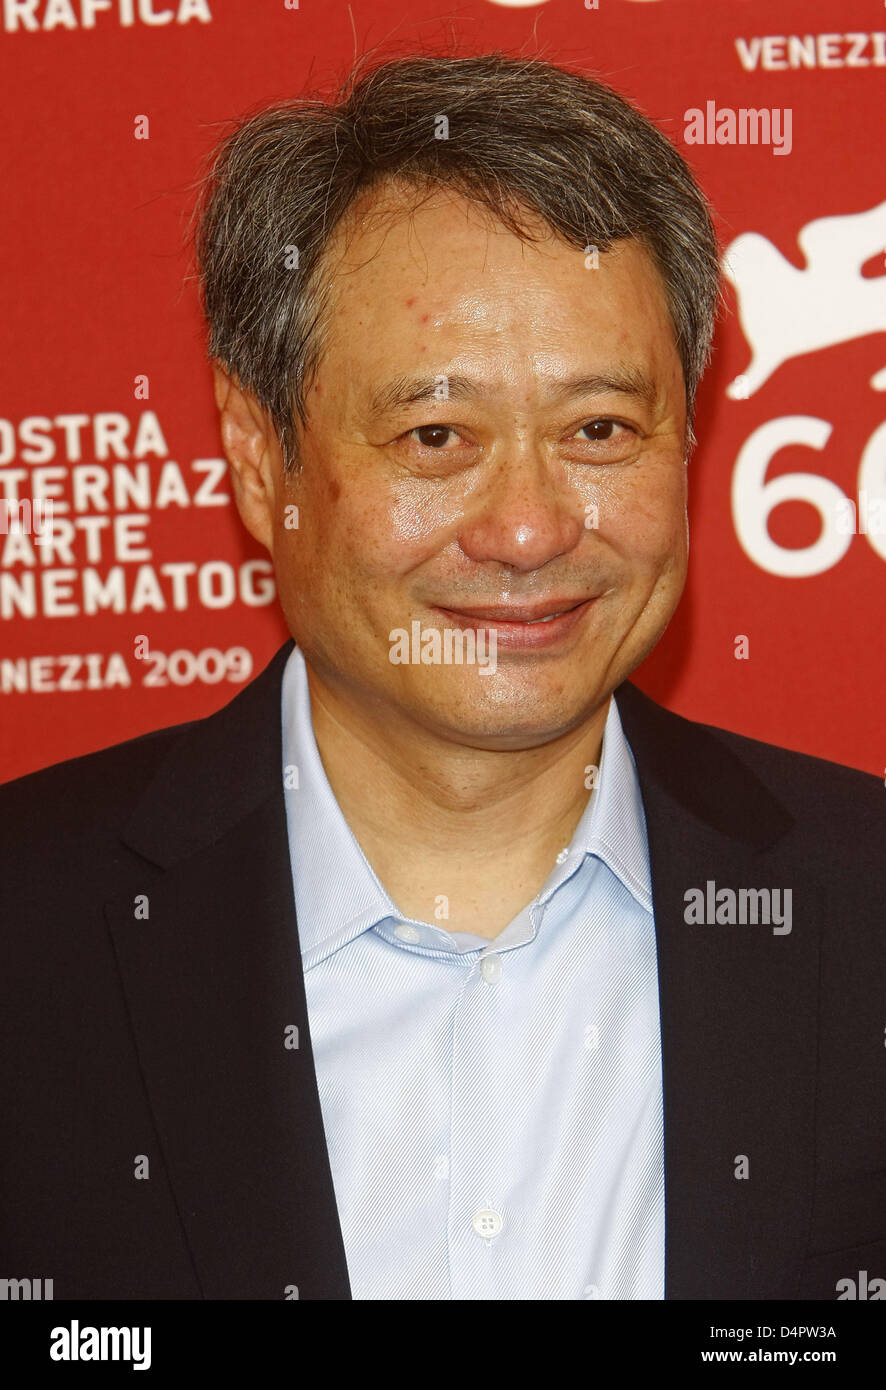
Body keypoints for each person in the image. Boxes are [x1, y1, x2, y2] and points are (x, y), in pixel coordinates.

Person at [1, 51, 884, 1303]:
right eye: (435, 437)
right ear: (262, 465)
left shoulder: (866, 912)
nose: (526, 529)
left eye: (599, 429)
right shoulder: (31, 936)